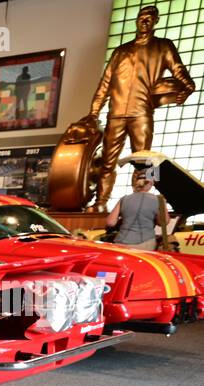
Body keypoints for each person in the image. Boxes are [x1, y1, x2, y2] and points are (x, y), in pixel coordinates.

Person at [89, 5, 195, 211]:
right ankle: (100, 203)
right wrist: (94, 111)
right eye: (141, 17)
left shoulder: (163, 46)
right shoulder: (120, 51)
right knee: (107, 162)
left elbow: (178, 69)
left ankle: (146, 201)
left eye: (149, 18)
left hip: (141, 112)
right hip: (116, 113)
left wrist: (189, 86)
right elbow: (105, 83)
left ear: (156, 22)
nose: (144, 21)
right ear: (136, 20)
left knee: (145, 161)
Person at [106, 174, 168, 250]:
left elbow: (110, 222)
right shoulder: (158, 200)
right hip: (145, 243)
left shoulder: (124, 199)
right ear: (151, 183)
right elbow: (163, 222)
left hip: (121, 242)